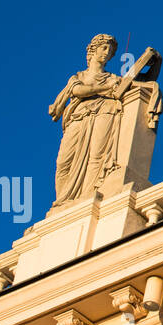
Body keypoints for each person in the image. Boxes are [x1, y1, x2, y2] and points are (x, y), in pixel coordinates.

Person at [48, 34, 124, 206]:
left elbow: (131, 85)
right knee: (63, 163)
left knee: (96, 157)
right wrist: (105, 88)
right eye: (104, 48)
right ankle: (62, 201)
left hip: (103, 113)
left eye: (110, 50)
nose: (107, 52)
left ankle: (86, 198)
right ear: (93, 50)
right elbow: (79, 91)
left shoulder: (112, 78)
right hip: (78, 118)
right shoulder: (78, 77)